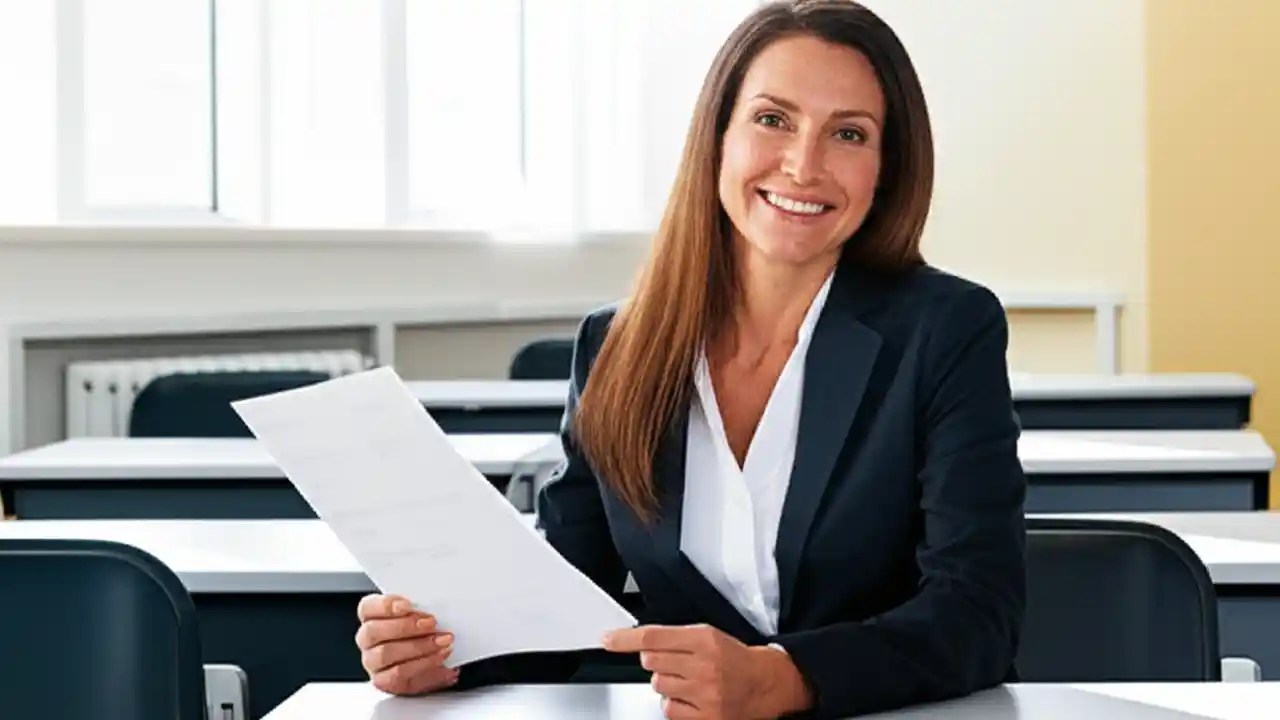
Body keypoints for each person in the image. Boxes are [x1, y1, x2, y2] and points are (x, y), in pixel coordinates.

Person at [354, 0, 1026, 717]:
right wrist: (448, 651)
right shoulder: (617, 348)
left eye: (849, 134)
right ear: (718, 139)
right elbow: (570, 601)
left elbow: (978, 613)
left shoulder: (946, 328)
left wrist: (783, 677)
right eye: (773, 120)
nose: (804, 165)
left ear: (885, 169)